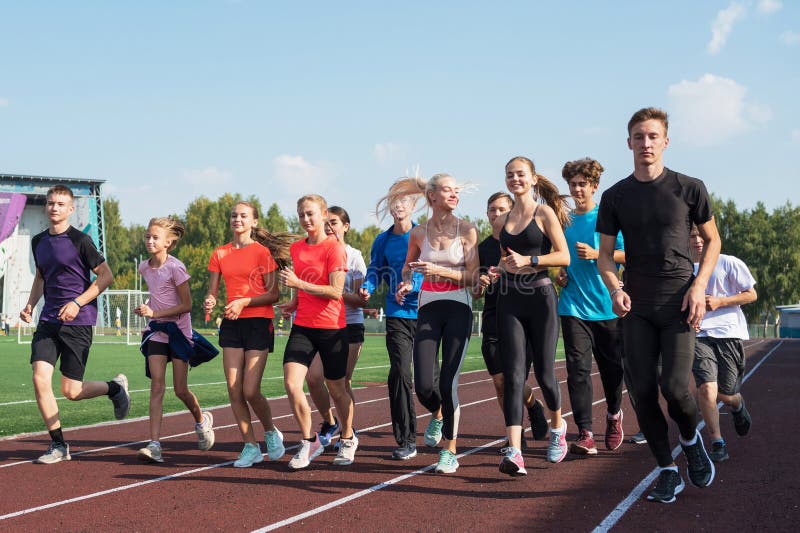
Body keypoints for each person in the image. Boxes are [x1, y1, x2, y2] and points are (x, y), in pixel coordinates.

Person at [597, 107, 721, 504]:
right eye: (639, 136)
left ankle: (690, 439)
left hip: (679, 301)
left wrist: (699, 286)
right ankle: (667, 470)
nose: (646, 143)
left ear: (665, 142)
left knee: (676, 388)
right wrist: (615, 289)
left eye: (653, 136)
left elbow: (713, 240)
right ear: (628, 143)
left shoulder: (689, 187)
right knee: (643, 392)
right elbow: (604, 256)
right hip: (636, 305)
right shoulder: (614, 196)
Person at [19, 185, 129, 464]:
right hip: (48, 321)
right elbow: (41, 277)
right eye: (50, 203)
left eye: (60, 204)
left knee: (71, 391)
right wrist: (30, 305)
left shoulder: (80, 241)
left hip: (78, 322)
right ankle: (58, 445)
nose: (54, 207)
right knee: (39, 378)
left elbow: (106, 276)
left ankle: (115, 388)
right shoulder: (38, 242)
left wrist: (77, 303)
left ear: (70, 209)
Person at [395, 173, 480, 474]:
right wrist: (407, 282)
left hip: (459, 306)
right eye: (447, 190)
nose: (455, 194)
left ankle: (450, 450)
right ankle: (438, 413)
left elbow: (473, 278)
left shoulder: (467, 230)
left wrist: (439, 271)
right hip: (428, 308)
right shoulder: (418, 233)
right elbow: (408, 267)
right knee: (423, 385)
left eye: (457, 190)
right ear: (432, 196)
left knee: (448, 383)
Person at [495, 157, 571, 477]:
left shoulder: (544, 213)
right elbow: (505, 261)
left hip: (541, 298)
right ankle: (514, 450)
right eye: (510, 175)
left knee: (545, 375)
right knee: (514, 376)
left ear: (533, 178)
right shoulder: (502, 221)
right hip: (510, 299)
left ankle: (557, 428)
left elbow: (564, 256)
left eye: (520, 174)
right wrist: (497, 270)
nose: (515, 179)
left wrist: (531, 260)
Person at [204, 201, 288, 468]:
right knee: (233, 389)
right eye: (233, 215)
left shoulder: (262, 253)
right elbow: (213, 291)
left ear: (254, 221)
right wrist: (210, 300)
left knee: (250, 390)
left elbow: (274, 294)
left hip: (258, 323)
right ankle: (250, 446)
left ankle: (271, 431)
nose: (237, 219)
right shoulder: (220, 253)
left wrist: (244, 302)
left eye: (243, 216)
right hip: (232, 322)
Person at [279, 194, 359, 469]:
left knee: (337, 388)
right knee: (292, 384)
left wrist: (298, 283)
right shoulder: (297, 248)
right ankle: (309, 441)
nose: (305, 219)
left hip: (331, 328)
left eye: (310, 213)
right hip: (303, 326)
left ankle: (347, 437)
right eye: (301, 214)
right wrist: (293, 302)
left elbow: (336, 291)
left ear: (324, 214)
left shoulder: (334, 248)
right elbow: (302, 285)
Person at [556, 158, 626, 456]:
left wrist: (598, 254)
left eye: (582, 184)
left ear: (594, 186)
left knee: (612, 369)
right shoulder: (564, 220)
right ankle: (585, 432)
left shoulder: (606, 217)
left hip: (607, 305)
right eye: (572, 184)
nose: (576, 189)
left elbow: (627, 254)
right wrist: (559, 273)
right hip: (572, 304)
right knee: (577, 370)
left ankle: (613, 414)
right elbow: (560, 256)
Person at [134, 217, 215, 463]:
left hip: (179, 332)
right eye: (147, 236)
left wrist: (155, 312)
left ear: (168, 242)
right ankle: (155, 444)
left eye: (155, 237)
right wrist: (147, 308)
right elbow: (157, 296)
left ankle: (201, 420)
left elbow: (186, 305)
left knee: (180, 390)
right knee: (157, 386)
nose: (149, 241)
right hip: (157, 331)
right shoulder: (144, 267)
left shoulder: (176, 268)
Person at [474, 192, 549, 450]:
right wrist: (480, 282)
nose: (496, 214)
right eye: (492, 209)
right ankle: (524, 420)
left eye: (501, 209)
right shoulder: (482, 248)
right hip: (493, 317)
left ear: (511, 211)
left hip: (521, 315)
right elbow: (475, 291)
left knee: (514, 380)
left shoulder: (523, 239)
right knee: (500, 383)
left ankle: (521, 427)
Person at [359, 184, 424, 460]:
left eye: (404, 201)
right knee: (399, 372)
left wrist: (412, 285)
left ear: (413, 206)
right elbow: (375, 269)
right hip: (397, 313)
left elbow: (429, 268)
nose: (398, 206)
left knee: (429, 383)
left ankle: (439, 413)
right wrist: (368, 286)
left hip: (426, 311)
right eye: (394, 202)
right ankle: (406, 439)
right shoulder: (382, 240)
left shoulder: (424, 235)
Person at [689, 225, 756, 462]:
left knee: (726, 394)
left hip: (728, 333)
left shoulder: (728, 262)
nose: (697, 240)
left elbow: (751, 294)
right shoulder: (682, 268)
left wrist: (720, 301)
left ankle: (737, 405)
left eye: (701, 235)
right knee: (706, 388)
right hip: (698, 336)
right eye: (692, 235)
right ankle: (717, 441)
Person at [305, 206, 367, 448]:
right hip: (322, 324)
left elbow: (361, 300)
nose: (329, 227)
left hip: (350, 324)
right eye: (325, 222)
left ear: (346, 226)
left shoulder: (354, 256)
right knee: (313, 378)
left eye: (334, 222)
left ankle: (347, 432)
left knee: (341, 382)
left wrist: (334, 291)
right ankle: (331, 422)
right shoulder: (317, 252)